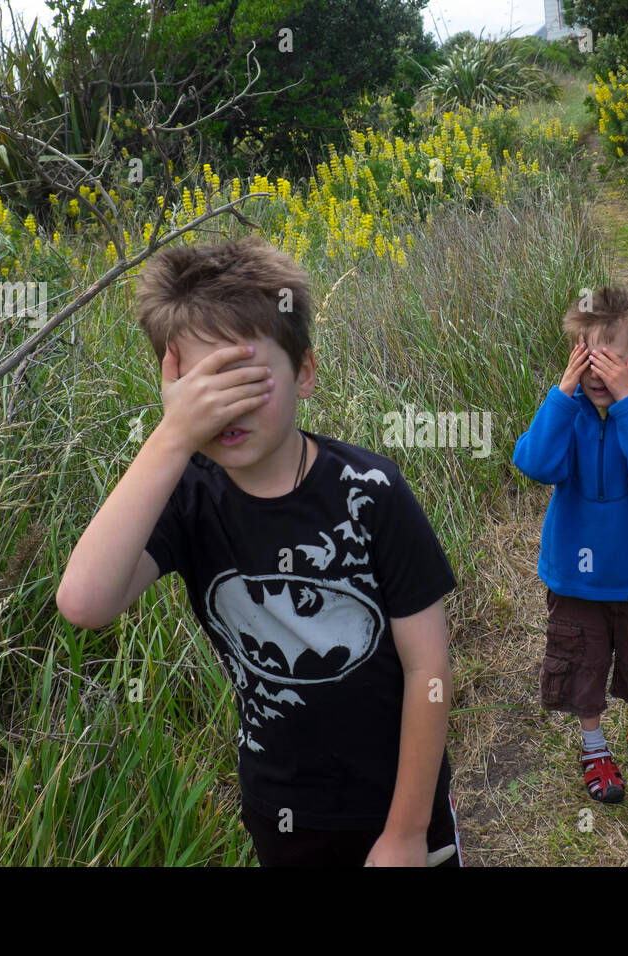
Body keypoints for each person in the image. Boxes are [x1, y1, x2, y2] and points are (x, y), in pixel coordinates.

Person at [56, 237, 462, 866]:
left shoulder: (371, 493)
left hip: (402, 806)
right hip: (281, 811)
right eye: (203, 388)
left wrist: (407, 832)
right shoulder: (187, 497)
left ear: (304, 370)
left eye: (245, 378)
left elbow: (428, 670)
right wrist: (171, 437)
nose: (227, 407)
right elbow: (84, 602)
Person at [512, 285, 628, 804]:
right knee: (581, 662)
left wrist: (627, 403)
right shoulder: (565, 415)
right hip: (576, 577)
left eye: (611, 361)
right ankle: (593, 746)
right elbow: (536, 465)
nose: (597, 373)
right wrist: (560, 394)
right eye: (586, 359)